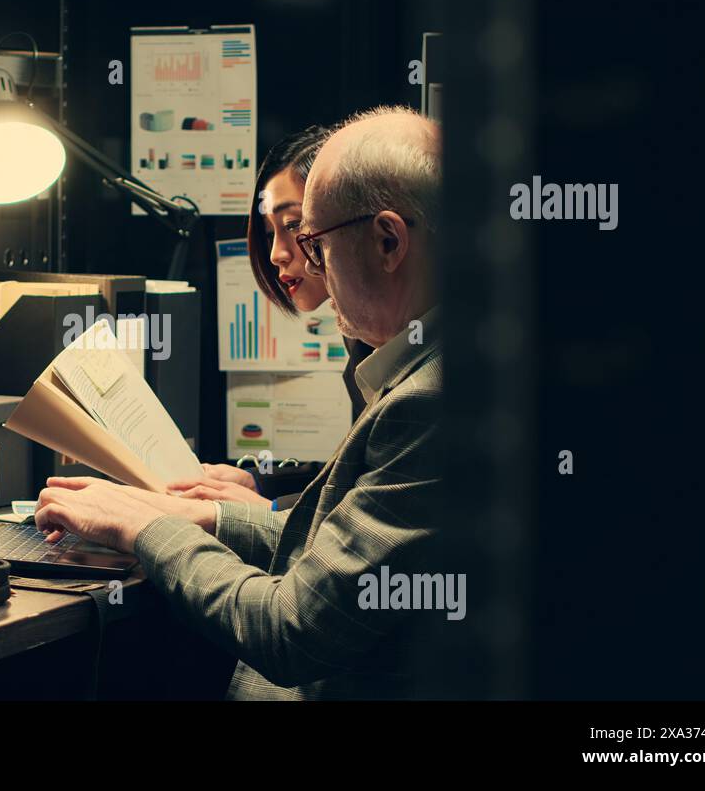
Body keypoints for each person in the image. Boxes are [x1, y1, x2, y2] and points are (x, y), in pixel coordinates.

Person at [34, 106, 443, 699]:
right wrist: (208, 516)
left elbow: (294, 628)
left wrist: (148, 526)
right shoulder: (419, 368)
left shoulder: (428, 403)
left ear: (387, 241)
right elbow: (334, 554)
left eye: (314, 243)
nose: (302, 264)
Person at [170, 126, 372, 509]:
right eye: (268, 232)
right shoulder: (360, 335)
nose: (278, 253)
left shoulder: (397, 346)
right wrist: (259, 482)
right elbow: (357, 477)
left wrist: (270, 510)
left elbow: (371, 510)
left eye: (294, 225)